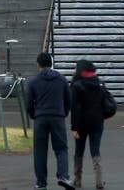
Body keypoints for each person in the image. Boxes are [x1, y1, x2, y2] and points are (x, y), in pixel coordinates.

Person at [26, 52, 75, 190]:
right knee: (61, 148)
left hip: (41, 117)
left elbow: (29, 103)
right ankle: (63, 176)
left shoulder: (34, 82)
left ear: (38, 64)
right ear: (51, 63)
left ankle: (41, 183)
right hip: (57, 116)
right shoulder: (61, 80)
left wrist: (33, 115)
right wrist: (64, 112)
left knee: (40, 151)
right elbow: (68, 100)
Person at [70, 59, 107, 189]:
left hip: (81, 123)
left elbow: (74, 108)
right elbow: (104, 103)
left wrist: (74, 127)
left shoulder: (76, 85)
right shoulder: (99, 83)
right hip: (97, 122)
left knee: (79, 151)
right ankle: (98, 181)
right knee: (95, 150)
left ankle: (77, 179)